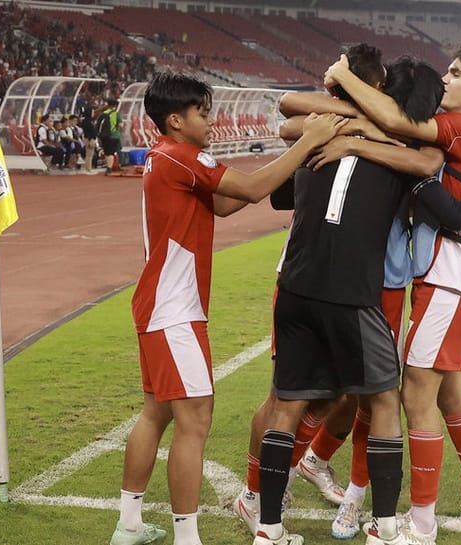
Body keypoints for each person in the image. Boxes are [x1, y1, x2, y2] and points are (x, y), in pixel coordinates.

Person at [252, 46, 461, 545]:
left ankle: (330, 501)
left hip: (361, 279)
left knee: (357, 395)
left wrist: (352, 130)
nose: (447, 80)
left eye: (456, 72)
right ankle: (385, 515)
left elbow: (291, 123)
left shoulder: (435, 136)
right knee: (383, 395)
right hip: (369, 281)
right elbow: (289, 114)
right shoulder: (413, 146)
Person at [108, 71, 342, 545]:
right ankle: (187, 538)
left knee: (156, 413)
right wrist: (308, 142)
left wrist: (293, 162)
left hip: (161, 305)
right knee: (194, 420)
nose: (212, 121)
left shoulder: (163, 157)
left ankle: (128, 525)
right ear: (176, 120)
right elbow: (251, 188)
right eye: (203, 113)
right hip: (174, 310)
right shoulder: (181, 156)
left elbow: (225, 203)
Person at [325, 44, 461, 543]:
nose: (445, 80)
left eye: (455, 73)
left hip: (448, 274)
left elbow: (395, 120)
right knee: (447, 391)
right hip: (450, 271)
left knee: (415, 393)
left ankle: (422, 524)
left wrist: (345, 75)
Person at [98, 97, 124, 173]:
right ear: (115, 106)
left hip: (104, 136)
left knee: (106, 152)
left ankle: (108, 166)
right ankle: (109, 168)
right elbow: (121, 125)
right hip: (114, 135)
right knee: (111, 153)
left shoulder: (103, 114)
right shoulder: (116, 114)